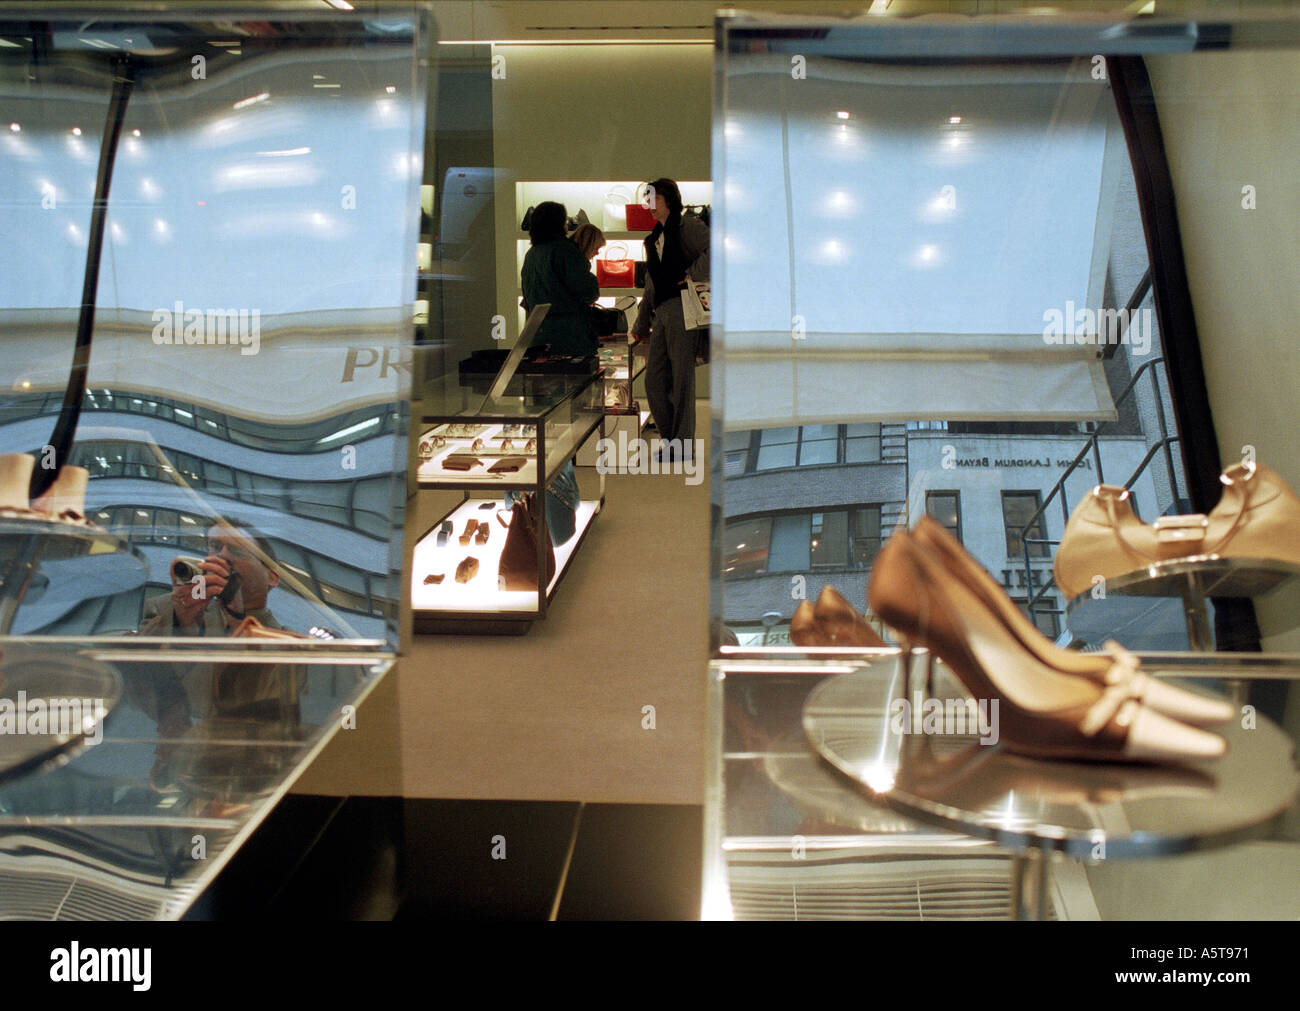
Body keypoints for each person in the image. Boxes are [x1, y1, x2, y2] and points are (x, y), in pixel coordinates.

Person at [631, 177, 709, 457]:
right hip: (661, 312)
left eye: (654, 199)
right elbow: (651, 282)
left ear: (668, 200)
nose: (649, 205)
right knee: (654, 380)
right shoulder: (653, 238)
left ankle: (681, 446)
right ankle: (672, 439)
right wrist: (641, 322)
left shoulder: (687, 226)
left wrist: (692, 276)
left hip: (683, 307)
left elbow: (714, 249)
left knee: (682, 378)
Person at [139, 519, 282, 637]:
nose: (222, 555)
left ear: (272, 578)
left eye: (238, 551)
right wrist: (180, 625)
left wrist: (239, 624)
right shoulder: (166, 610)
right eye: (215, 546)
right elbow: (128, 665)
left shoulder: (289, 641)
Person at [520, 201, 600, 358]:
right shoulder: (566, 251)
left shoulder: (531, 254)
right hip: (569, 337)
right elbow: (588, 291)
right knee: (577, 380)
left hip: (537, 336)